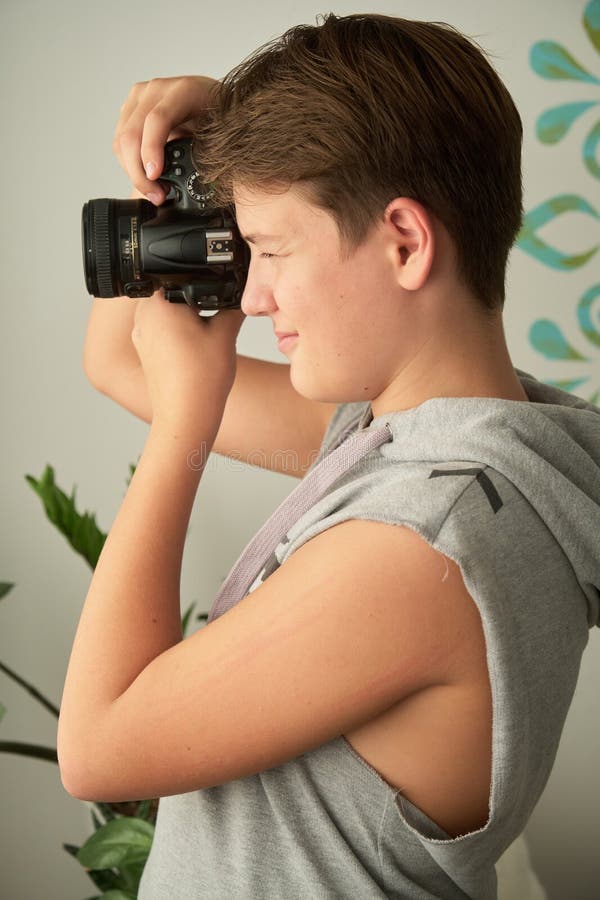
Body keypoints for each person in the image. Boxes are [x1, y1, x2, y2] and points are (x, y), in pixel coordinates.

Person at [59, 13, 600, 899]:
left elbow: (98, 749)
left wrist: (187, 425)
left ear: (405, 242)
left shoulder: (426, 540)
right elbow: (118, 362)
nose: (254, 290)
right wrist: (191, 165)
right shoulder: (436, 441)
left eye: (269, 249)